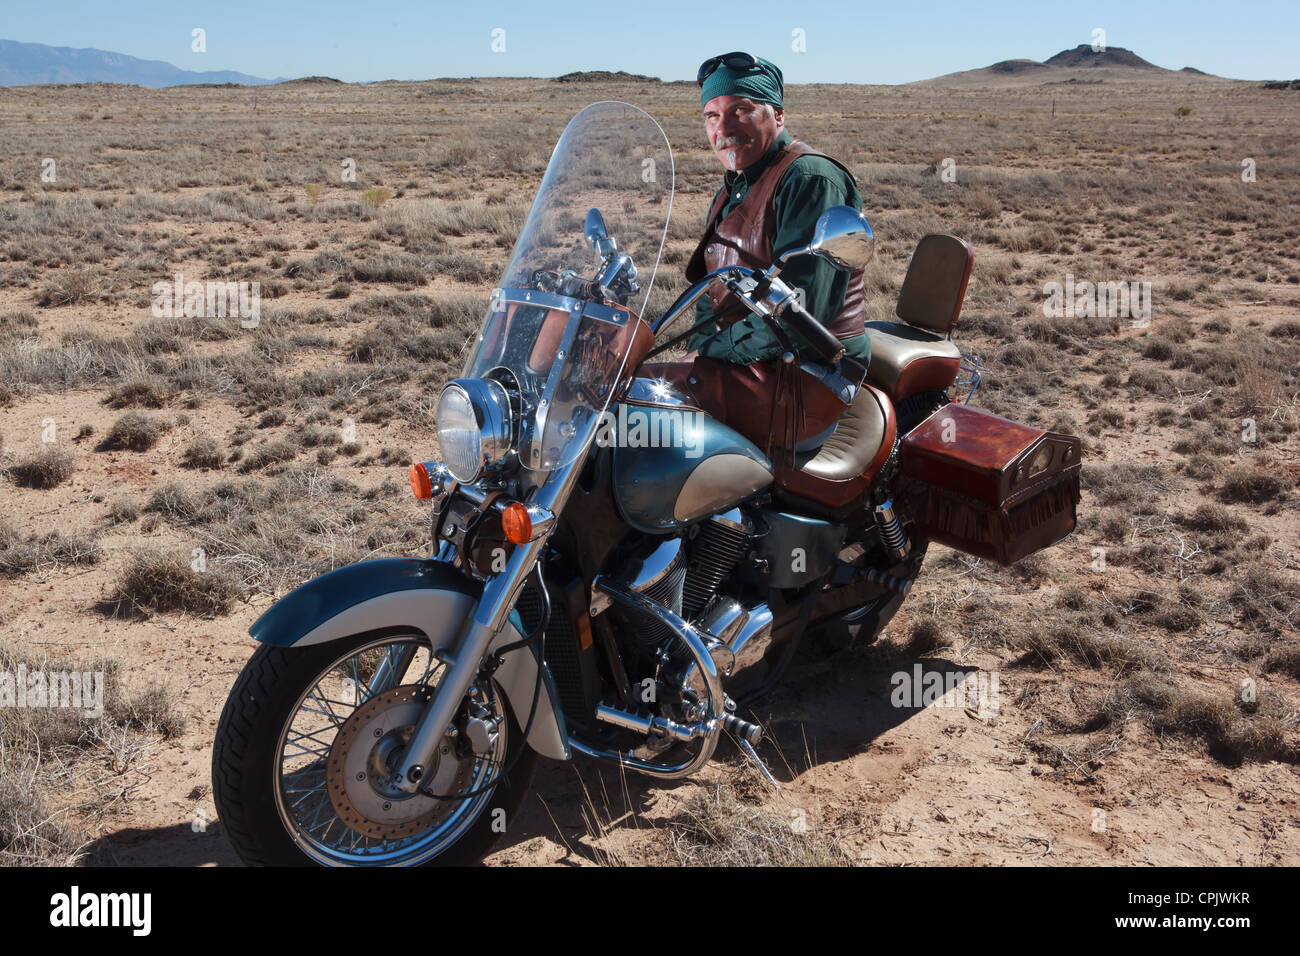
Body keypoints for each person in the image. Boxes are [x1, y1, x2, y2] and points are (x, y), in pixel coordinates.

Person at [645, 52, 870, 462]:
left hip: (811, 372)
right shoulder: (737, 183)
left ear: (778, 115)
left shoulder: (809, 178)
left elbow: (801, 314)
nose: (723, 128)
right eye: (711, 116)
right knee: (618, 390)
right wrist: (697, 351)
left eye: (741, 110)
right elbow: (713, 288)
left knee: (645, 418)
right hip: (755, 359)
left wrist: (711, 353)